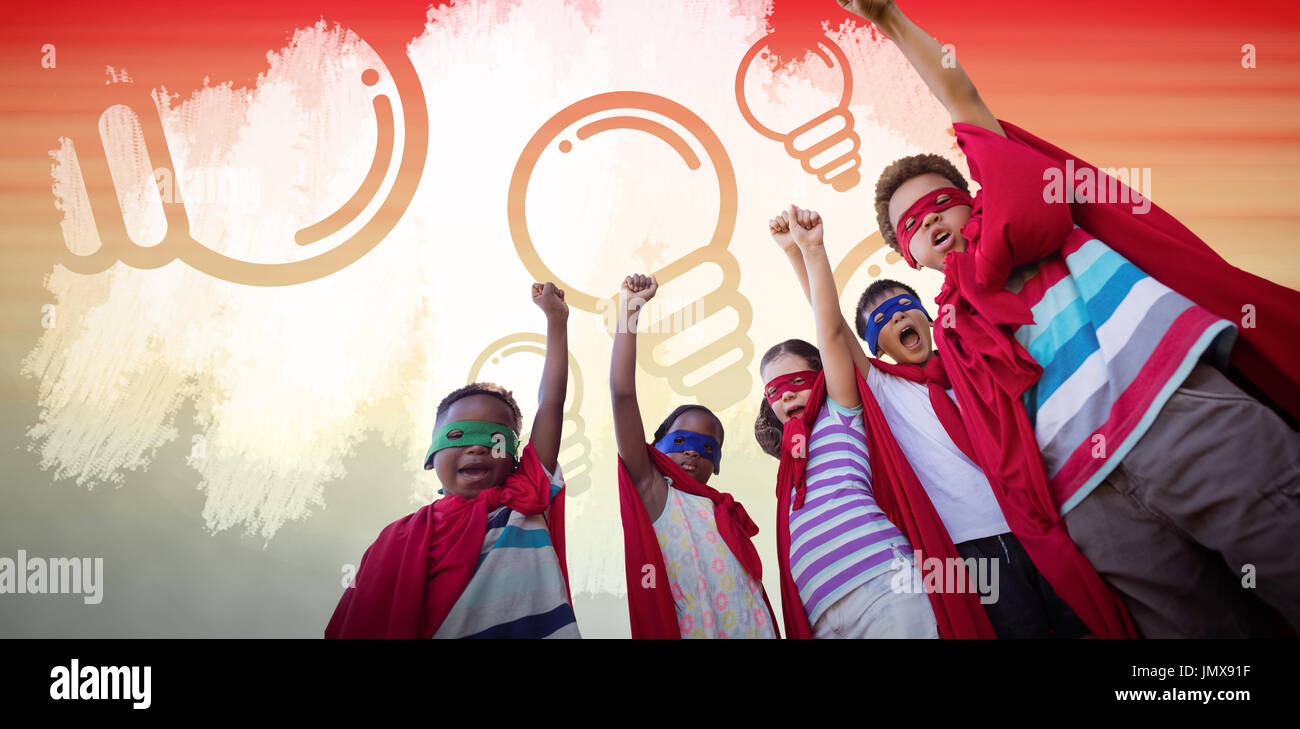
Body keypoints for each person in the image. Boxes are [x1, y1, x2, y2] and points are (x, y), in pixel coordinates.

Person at [842, 0, 1300, 636]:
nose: (933, 223)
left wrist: (887, 18)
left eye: (942, 204)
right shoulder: (949, 330)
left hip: (1175, 413)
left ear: (975, 199)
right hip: (1090, 501)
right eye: (912, 226)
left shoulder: (1021, 223)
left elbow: (961, 95)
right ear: (908, 256)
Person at [756, 205, 993, 638]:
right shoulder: (791, 464)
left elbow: (831, 332)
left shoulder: (843, 413)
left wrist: (805, 253)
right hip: (822, 609)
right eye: (773, 391)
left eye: (796, 381)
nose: (785, 393)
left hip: (886, 584)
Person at [325, 283, 579, 638]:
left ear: (515, 459)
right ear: (431, 457)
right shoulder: (398, 538)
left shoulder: (525, 496)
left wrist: (556, 319)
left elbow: (551, 402)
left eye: (493, 440)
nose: (476, 449)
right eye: (457, 437)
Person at [612, 273, 778, 638]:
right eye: (681, 439)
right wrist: (630, 311)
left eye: (707, 447)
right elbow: (623, 394)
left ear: (716, 463)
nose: (692, 450)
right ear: (654, 447)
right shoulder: (656, 493)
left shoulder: (724, 512)